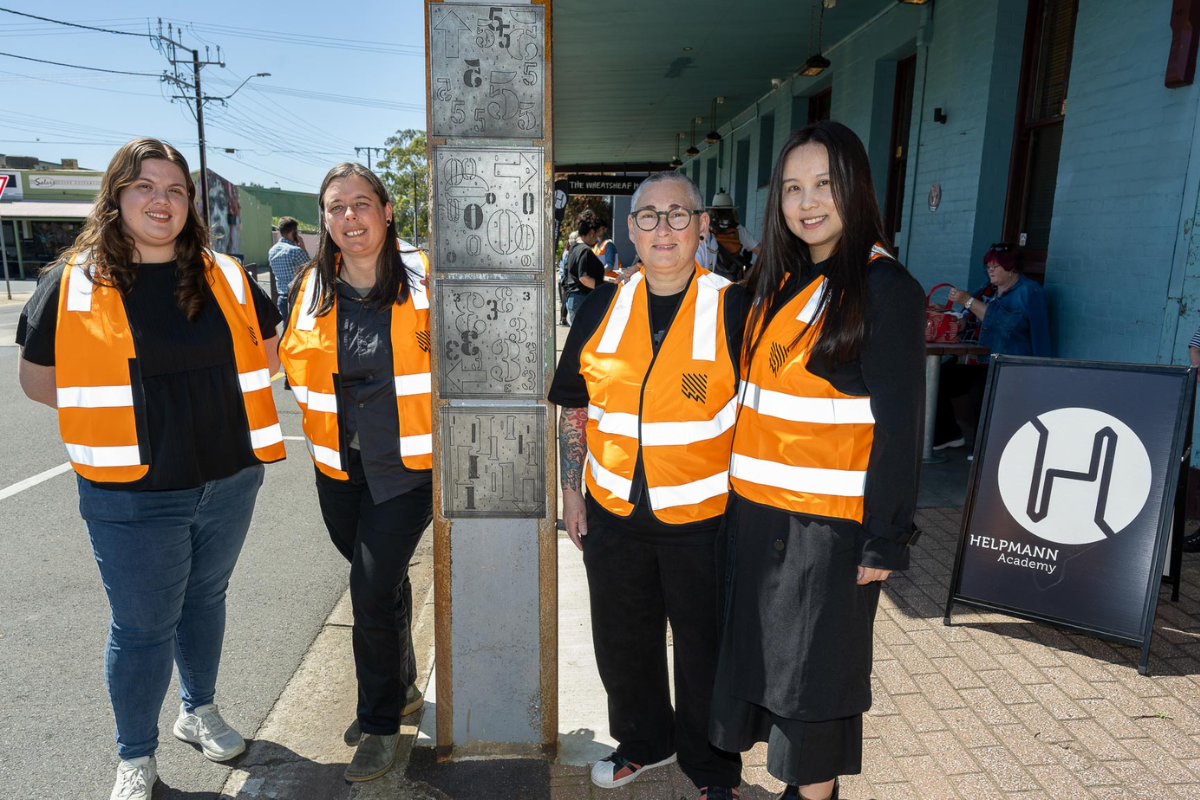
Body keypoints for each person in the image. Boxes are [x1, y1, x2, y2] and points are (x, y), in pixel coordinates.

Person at [15, 138, 285, 800]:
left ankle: (198, 711)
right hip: (131, 490)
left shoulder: (226, 274)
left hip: (228, 477)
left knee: (205, 599)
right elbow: (38, 380)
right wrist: (124, 411)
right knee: (141, 627)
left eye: (174, 189)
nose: (160, 200)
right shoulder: (73, 281)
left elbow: (271, 352)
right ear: (116, 197)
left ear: (189, 204)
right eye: (144, 187)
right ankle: (135, 756)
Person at [709, 120, 924, 800]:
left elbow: (899, 426)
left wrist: (886, 536)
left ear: (855, 188)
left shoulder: (884, 288)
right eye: (793, 187)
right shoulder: (778, 281)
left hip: (825, 534)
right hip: (756, 522)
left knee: (812, 694)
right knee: (769, 679)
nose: (807, 202)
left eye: (825, 185)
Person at [551, 171, 744, 800]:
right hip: (612, 514)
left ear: (701, 227)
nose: (663, 228)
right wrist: (571, 489)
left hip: (704, 519)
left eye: (678, 215)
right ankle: (644, 743)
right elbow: (574, 404)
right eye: (649, 217)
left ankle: (712, 765)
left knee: (703, 651)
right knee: (622, 643)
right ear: (630, 230)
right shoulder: (600, 305)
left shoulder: (736, 307)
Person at [278, 162, 432, 783]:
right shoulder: (311, 287)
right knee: (382, 584)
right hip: (338, 470)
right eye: (336, 207)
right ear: (324, 218)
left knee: (369, 590)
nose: (350, 217)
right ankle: (401, 687)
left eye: (362, 203)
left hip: (408, 469)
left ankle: (377, 725)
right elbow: (293, 365)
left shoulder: (426, 280)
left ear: (386, 210)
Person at [933, 244, 1050, 450]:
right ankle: (948, 434)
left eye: (996, 267)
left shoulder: (1029, 292)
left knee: (982, 394)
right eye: (988, 266)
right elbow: (967, 318)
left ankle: (985, 451)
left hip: (1001, 360)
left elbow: (1004, 325)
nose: (991, 271)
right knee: (934, 382)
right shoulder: (986, 289)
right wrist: (948, 315)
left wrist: (968, 301)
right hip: (970, 358)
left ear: (1011, 268)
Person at [696, 190, 760, 282]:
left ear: (713, 210)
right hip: (733, 280)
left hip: (709, 280)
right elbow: (762, 253)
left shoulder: (706, 229)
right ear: (731, 210)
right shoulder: (739, 230)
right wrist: (750, 273)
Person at [563, 214, 606, 325]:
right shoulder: (585, 251)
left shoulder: (574, 247)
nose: (596, 238)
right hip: (582, 299)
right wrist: (604, 286)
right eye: (596, 234)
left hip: (573, 298)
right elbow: (584, 278)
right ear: (591, 232)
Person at [268, 216, 308, 322]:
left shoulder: (272, 251)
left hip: (282, 298)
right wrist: (303, 248)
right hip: (297, 297)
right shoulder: (296, 251)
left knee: (287, 331)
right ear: (293, 232)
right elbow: (311, 269)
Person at [592, 216, 623, 282]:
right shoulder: (596, 246)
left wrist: (597, 274)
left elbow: (610, 266)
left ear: (605, 229)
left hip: (611, 280)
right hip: (603, 280)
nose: (597, 231)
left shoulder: (608, 244)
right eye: (596, 229)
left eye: (599, 229)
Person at [559, 230, 580, 325]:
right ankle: (563, 318)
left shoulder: (566, 251)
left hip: (565, 280)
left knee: (565, 299)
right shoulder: (572, 252)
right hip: (569, 282)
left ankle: (562, 318)